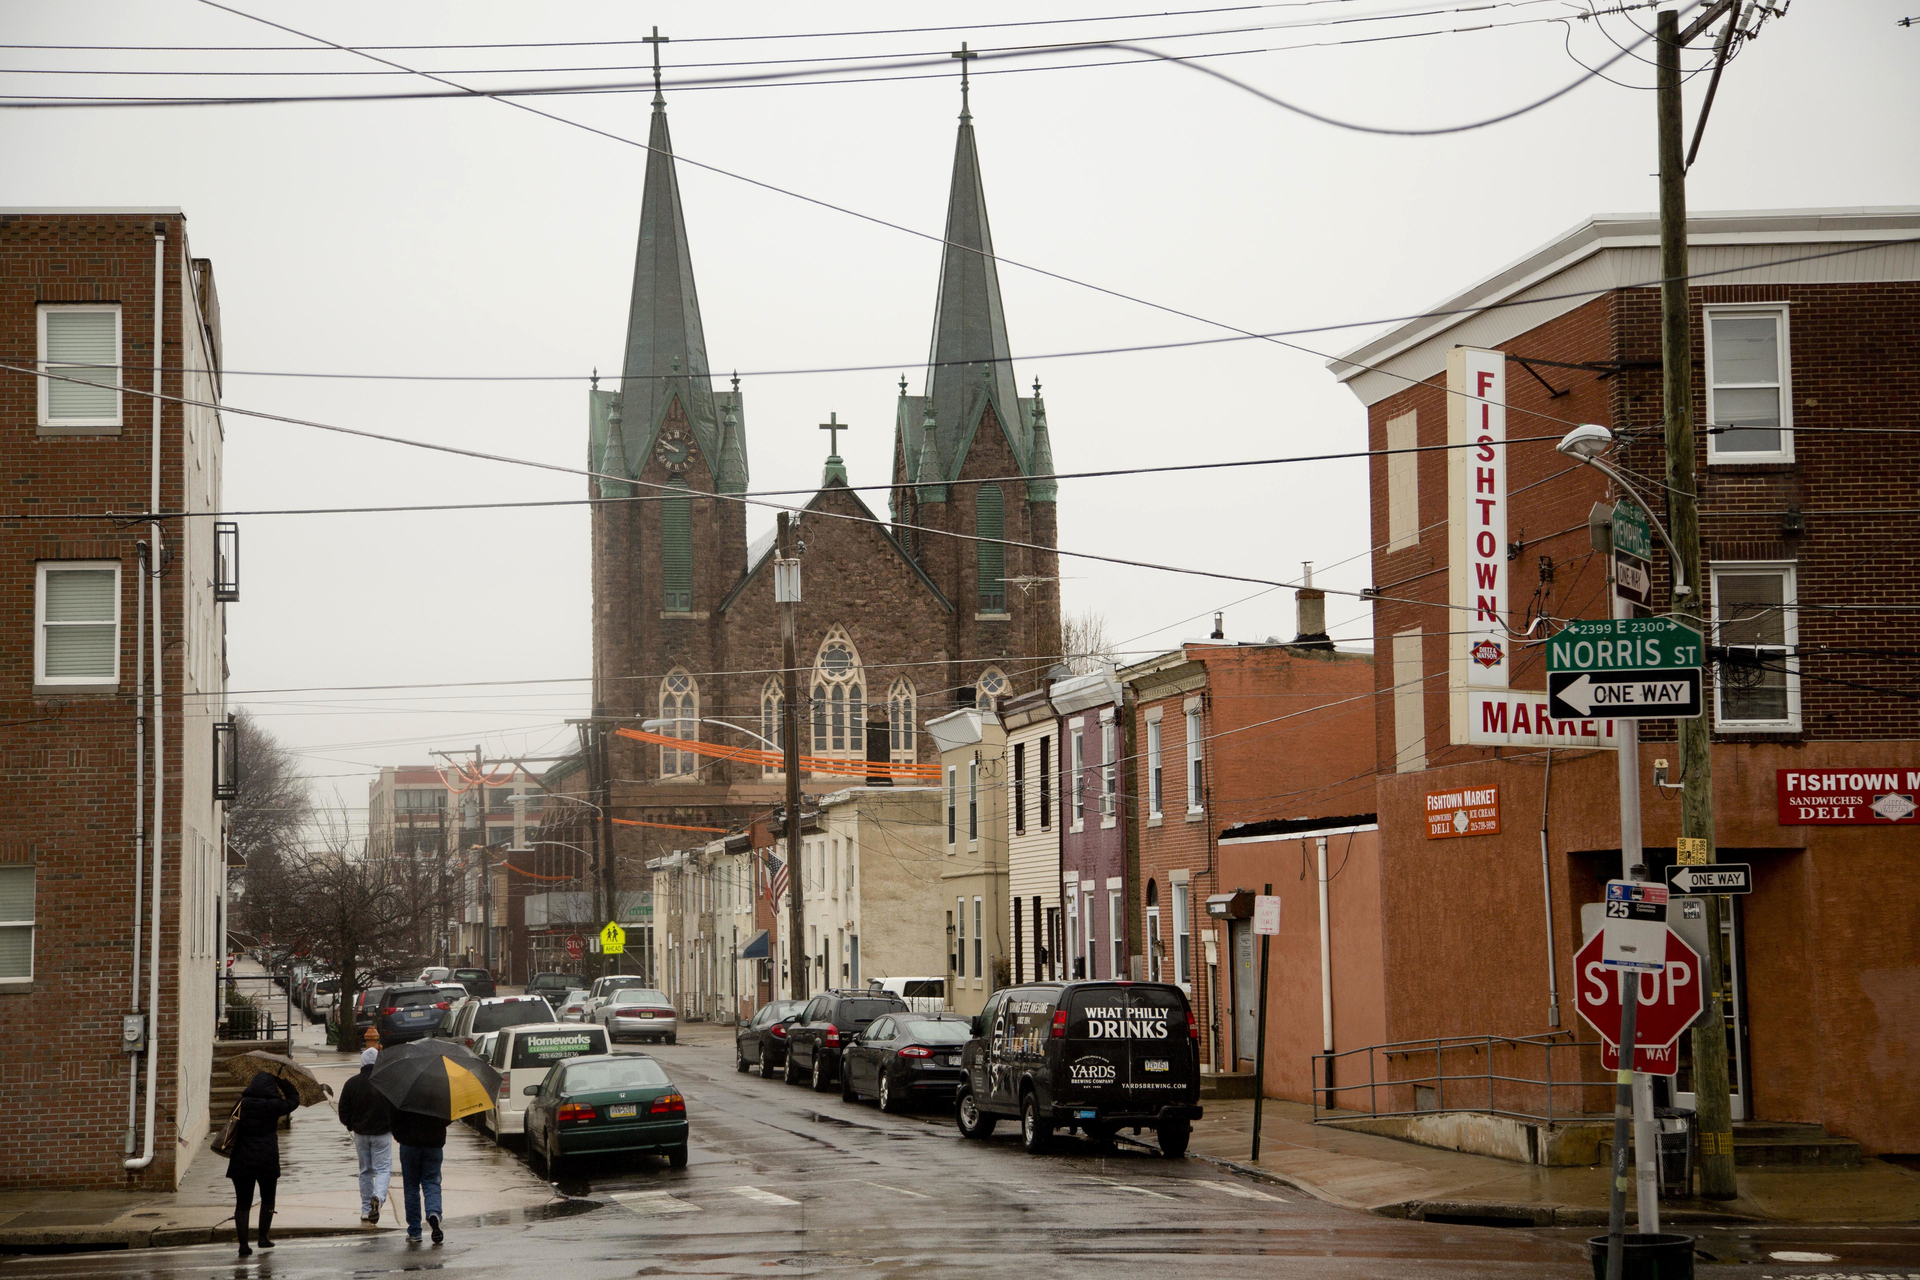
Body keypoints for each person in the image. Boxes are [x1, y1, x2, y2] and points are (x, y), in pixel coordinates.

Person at [225, 1072, 300, 1256]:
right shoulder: (274, 1105)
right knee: (267, 1199)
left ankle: (243, 1245)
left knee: (242, 1203)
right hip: (266, 1159)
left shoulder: (242, 1104)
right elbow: (294, 1101)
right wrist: (283, 1083)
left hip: (241, 1160)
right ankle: (263, 1237)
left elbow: (231, 1120)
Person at [336, 1046, 394, 1223]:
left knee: (365, 1170)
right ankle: (378, 1196)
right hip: (382, 1133)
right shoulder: (386, 1083)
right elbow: (395, 1107)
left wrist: (350, 1125)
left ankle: (365, 1208)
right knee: (383, 1169)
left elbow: (343, 1110)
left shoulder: (351, 1083)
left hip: (360, 1134)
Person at [391, 1104, 450, 1244]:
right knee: (432, 1183)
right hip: (433, 1144)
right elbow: (448, 1117)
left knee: (411, 1187)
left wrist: (400, 1137)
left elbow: (393, 1118)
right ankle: (433, 1214)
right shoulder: (441, 1091)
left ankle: (415, 1231)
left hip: (409, 1144)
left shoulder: (403, 1091)